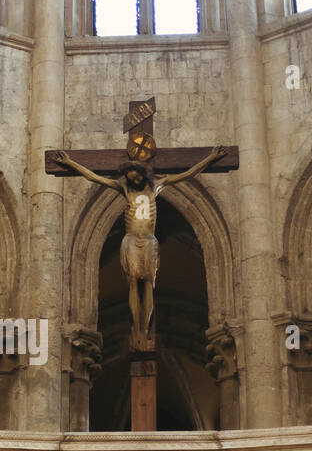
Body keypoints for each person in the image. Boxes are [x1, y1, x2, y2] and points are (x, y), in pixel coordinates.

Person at [51, 146, 227, 350]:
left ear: (143, 174)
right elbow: (95, 178)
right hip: (131, 240)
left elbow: (187, 173)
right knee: (134, 284)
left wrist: (211, 158)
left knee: (149, 284)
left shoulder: (157, 186)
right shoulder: (125, 189)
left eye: (135, 175)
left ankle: (145, 327)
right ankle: (137, 327)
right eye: (130, 176)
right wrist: (70, 163)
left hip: (149, 240)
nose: (133, 179)